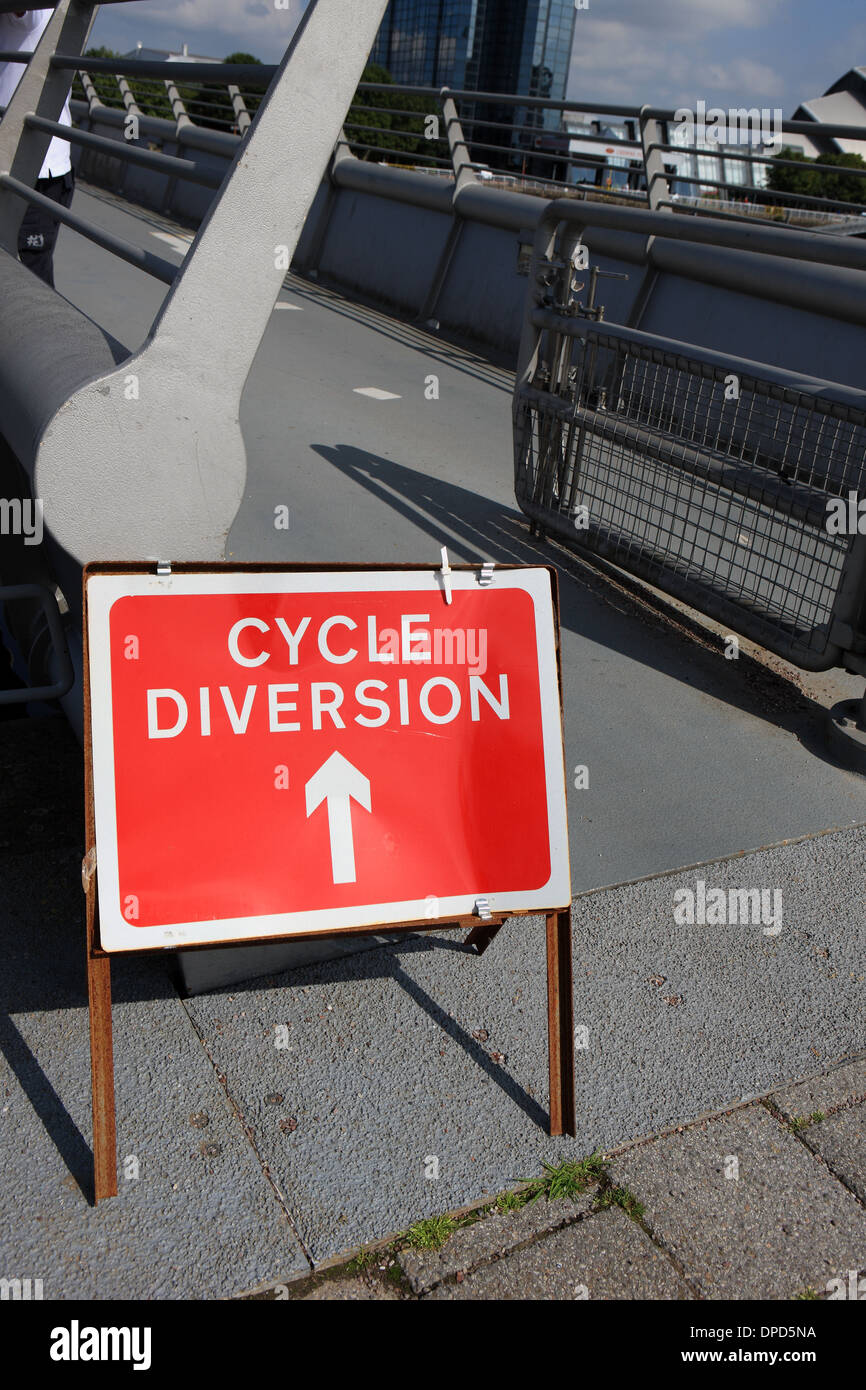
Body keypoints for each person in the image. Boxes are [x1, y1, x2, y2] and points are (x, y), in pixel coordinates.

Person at [0, 8, 74, 287]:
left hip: (36, 170)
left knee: (29, 283)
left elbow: (25, 11)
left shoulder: (39, 9)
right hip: (18, 162)